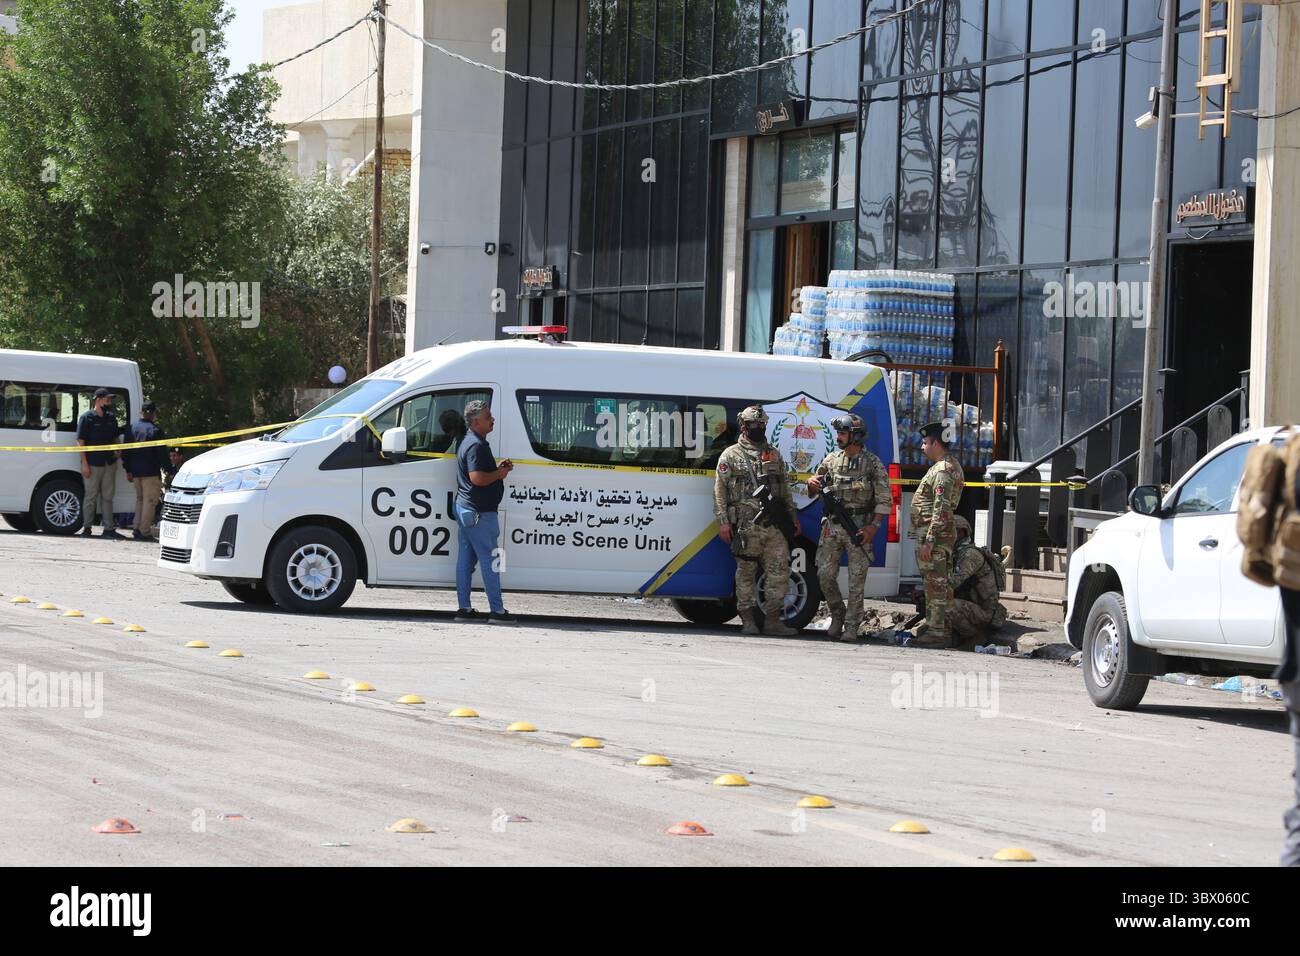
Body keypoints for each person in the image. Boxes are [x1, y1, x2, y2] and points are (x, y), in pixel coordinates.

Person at [713, 405, 798, 636]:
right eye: (754, 425)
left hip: (774, 526)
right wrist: (723, 521)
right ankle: (748, 621)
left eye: (762, 425)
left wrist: (792, 516)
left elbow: (784, 488)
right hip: (745, 526)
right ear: (743, 427)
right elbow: (720, 490)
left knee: (780, 571)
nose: (758, 428)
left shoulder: (773, 454)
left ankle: (773, 621)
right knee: (746, 573)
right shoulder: (731, 455)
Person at [807, 413, 891, 642]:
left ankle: (852, 626)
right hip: (832, 526)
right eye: (838, 433)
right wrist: (811, 483)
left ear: (855, 436)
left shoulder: (872, 464)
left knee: (856, 581)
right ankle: (837, 614)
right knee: (824, 575)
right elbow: (815, 483)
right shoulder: (832, 459)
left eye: (843, 433)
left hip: (859, 529)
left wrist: (873, 528)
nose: (838, 437)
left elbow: (885, 499)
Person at [453, 399, 516, 624]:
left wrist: (496, 469)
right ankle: (497, 612)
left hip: (467, 510)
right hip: (479, 514)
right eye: (489, 417)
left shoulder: (470, 441)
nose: (493, 420)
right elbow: (477, 478)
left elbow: (478, 472)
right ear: (477, 421)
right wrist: (499, 474)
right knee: (492, 561)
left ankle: (464, 609)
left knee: (465, 561)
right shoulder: (476, 445)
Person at [907, 421, 965, 648]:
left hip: (935, 536)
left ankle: (938, 631)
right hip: (934, 534)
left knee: (936, 584)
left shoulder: (943, 470)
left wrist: (930, 539)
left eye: (925, 443)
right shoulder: (944, 466)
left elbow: (942, 507)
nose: (922, 447)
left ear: (936, 443)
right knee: (935, 583)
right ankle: (934, 624)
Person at [947, 515, 1008, 647]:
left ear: (961, 532)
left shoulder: (970, 555)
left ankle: (974, 635)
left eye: (949, 531)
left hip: (984, 611)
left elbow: (952, 583)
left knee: (945, 606)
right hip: (969, 605)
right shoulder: (955, 553)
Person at [76, 388, 126, 539]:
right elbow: (80, 442)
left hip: (109, 463)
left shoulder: (111, 417)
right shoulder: (86, 418)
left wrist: (118, 450)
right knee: (90, 496)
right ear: (98, 400)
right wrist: (84, 464)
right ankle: (87, 528)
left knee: (108, 497)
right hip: (92, 464)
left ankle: (108, 529)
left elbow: (115, 437)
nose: (109, 402)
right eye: (107, 399)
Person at [123, 401, 167, 541]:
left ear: (141, 412)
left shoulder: (132, 428)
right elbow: (162, 453)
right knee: (150, 501)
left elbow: (126, 451)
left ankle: (137, 528)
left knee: (140, 500)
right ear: (154, 414)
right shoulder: (156, 431)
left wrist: (128, 469)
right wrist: (169, 470)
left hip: (135, 472)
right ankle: (144, 531)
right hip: (151, 473)